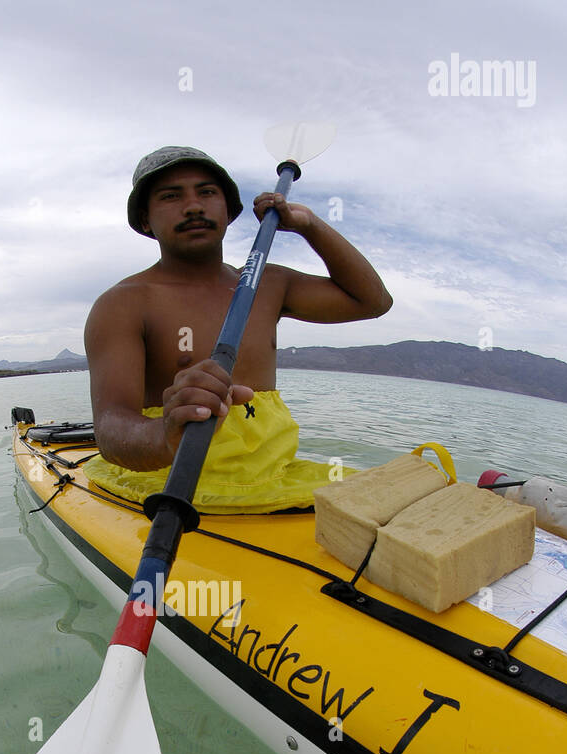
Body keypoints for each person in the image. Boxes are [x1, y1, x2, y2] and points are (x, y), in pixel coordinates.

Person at [82, 146, 392, 513]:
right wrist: (164, 434)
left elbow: (372, 302)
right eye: (170, 196)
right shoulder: (122, 303)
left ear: (228, 212)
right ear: (146, 220)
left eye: (207, 192)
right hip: (169, 482)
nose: (194, 206)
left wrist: (310, 226)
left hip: (275, 478)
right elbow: (111, 426)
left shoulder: (268, 283)